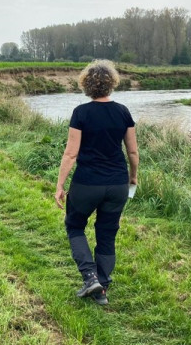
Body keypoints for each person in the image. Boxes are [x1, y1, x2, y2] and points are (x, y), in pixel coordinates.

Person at [55, 60, 139, 306]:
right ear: (112, 83)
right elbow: (133, 152)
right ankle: (101, 286)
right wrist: (132, 176)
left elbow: (70, 154)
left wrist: (60, 185)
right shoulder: (123, 111)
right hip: (117, 184)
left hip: (87, 183)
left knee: (74, 226)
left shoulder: (81, 113)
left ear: (87, 85)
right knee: (107, 233)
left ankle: (90, 277)